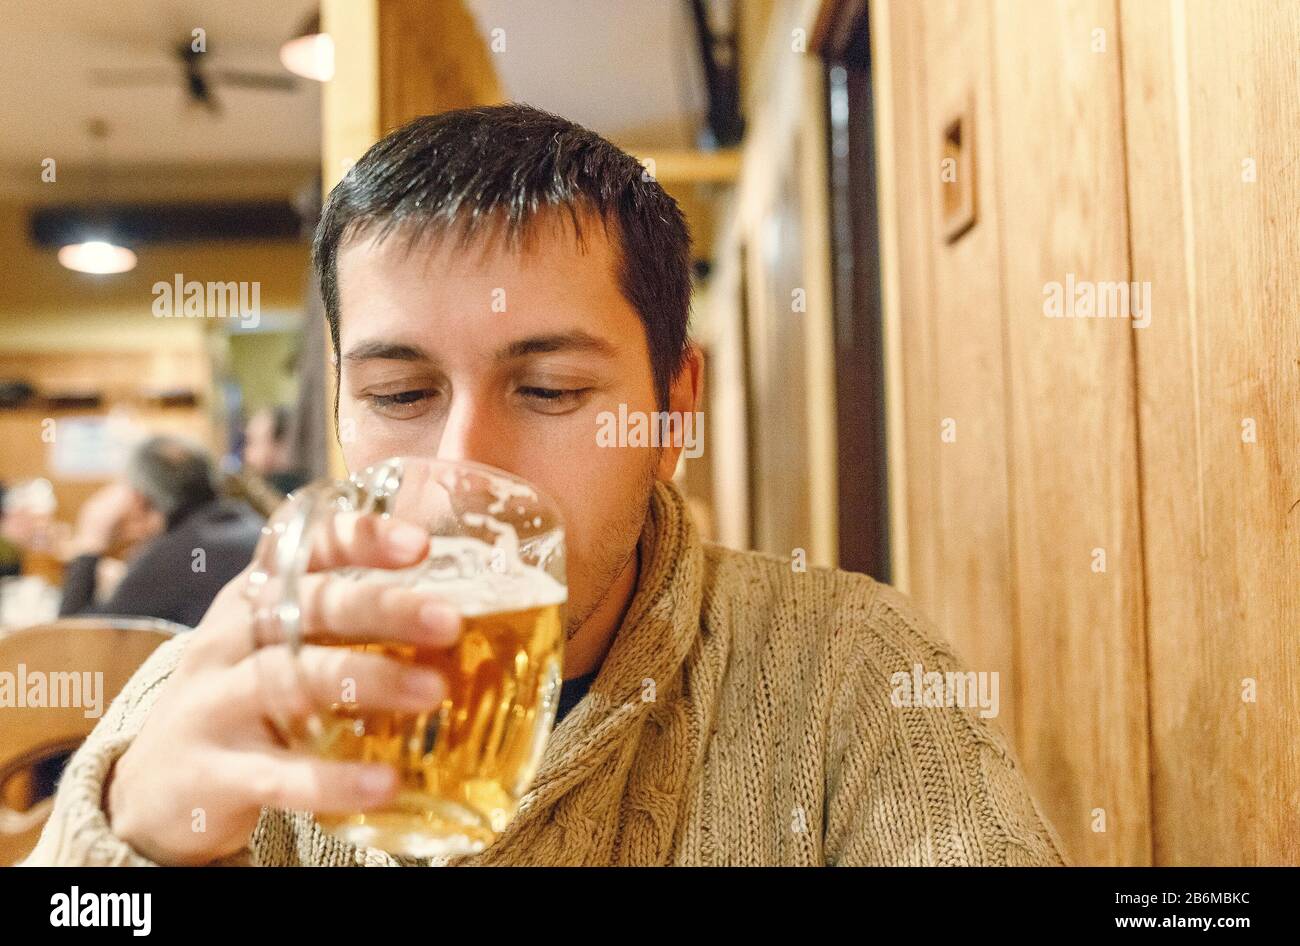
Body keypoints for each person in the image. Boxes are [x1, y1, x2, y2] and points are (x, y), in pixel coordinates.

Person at [28, 105, 1067, 867]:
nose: (460, 466)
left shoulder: (849, 674)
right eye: (399, 392)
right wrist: (122, 850)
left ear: (672, 409)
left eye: (551, 387)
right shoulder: (241, 681)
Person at [58, 435, 263, 630]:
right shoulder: (251, 524)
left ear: (138, 499)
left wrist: (91, 540)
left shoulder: (171, 556)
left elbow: (75, 640)